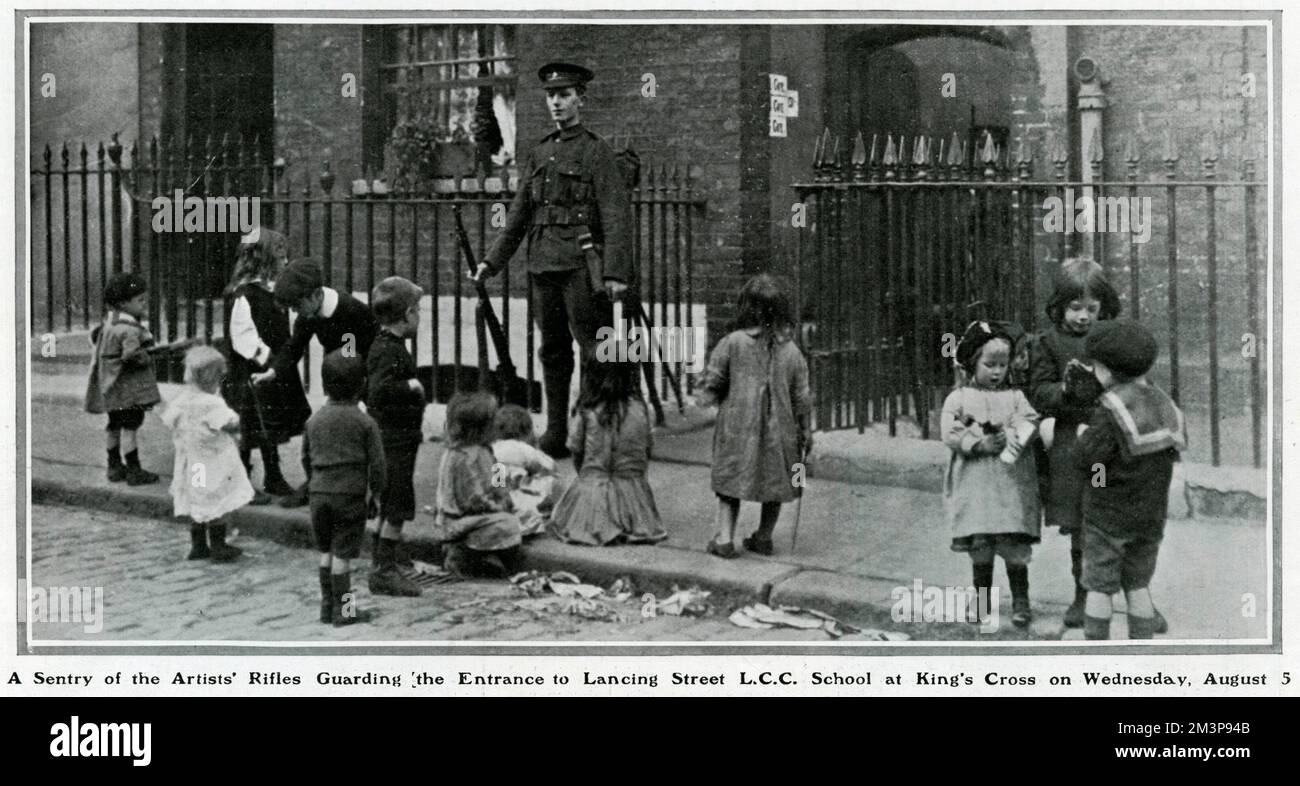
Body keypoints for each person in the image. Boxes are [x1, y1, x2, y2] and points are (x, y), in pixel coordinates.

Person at [471, 62, 632, 459]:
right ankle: (556, 432)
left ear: (581, 99)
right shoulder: (540, 152)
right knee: (552, 351)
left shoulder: (597, 152)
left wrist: (614, 273)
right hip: (542, 264)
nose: (557, 103)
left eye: (564, 95)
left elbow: (615, 214)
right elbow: (519, 215)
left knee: (594, 350)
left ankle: (593, 432)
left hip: (581, 266)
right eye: (551, 96)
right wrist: (491, 263)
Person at [1075, 320, 1186, 640]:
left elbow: (1090, 462)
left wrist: (1081, 436)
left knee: (1100, 587)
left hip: (1106, 518)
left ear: (1105, 370)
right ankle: (1142, 649)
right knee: (1138, 586)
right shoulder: (1165, 404)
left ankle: (1097, 650)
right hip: (1150, 517)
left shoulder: (1110, 410)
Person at [1027, 258, 1119, 628]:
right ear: (1059, 305)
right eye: (1075, 307)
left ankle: (1133, 592)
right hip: (1072, 450)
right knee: (1083, 522)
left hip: (1107, 444)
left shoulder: (1112, 339)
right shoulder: (1048, 342)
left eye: (1092, 309)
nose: (1083, 316)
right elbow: (1038, 391)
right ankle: (1083, 594)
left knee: (1113, 520)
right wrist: (1066, 389)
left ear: (1103, 307)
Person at [697, 274, 812, 558]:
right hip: (781, 430)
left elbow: (712, 382)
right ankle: (763, 536)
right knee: (776, 482)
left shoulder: (733, 342)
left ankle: (725, 538)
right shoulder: (793, 352)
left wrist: (709, 396)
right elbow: (802, 397)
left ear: (747, 307)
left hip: (738, 427)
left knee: (730, 480)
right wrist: (806, 430)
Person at [254, 258, 379, 507]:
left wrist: (353, 398)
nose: (294, 311)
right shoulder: (310, 313)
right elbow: (295, 345)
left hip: (364, 378)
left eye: (296, 305)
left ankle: (365, 495)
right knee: (321, 431)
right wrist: (274, 371)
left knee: (359, 435)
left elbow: (351, 354)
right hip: (341, 375)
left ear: (316, 295)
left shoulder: (349, 311)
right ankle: (317, 484)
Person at [941, 321, 1042, 628]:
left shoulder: (1015, 397)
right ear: (974, 363)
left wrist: (1013, 435)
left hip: (1010, 485)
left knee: (1013, 546)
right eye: (990, 364)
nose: (997, 372)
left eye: (1003, 364)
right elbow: (949, 430)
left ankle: (1020, 600)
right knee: (981, 546)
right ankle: (982, 599)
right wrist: (977, 443)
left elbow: (1030, 421)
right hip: (976, 486)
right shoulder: (958, 399)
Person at [223, 228, 310, 500]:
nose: (285, 261)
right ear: (262, 259)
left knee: (269, 427)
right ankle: (241, 481)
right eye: (280, 256)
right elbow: (243, 337)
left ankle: (273, 475)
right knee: (249, 429)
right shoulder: (244, 295)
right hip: (251, 373)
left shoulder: (273, 291)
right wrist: (267, 359)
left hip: (271, 371)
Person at [301, 350, 386, 626]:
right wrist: (376, 492)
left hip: (318, 495)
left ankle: (327, 606)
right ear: (362, 386)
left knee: (325, 552)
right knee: (343, 556)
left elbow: (305, 457)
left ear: (325, 385)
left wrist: (315, 482)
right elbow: (378, 464)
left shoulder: (313, 421)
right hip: (348, 496)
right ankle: (344, 610)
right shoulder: (364, 422)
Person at [549, 362, 665, 545]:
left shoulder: (586, 411)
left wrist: (585, 479)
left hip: (593, 492)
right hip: (633, 495)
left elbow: (575, 451)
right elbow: (647, 450)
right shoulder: (641, 409)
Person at [364, 276, 426, 598]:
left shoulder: (385, 345)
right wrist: (411, 387)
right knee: (397, 506)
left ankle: (384, 558)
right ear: (407, 314)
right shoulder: (390, 351)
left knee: (391, 503)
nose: (420, 318)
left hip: (397, 439)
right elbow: (379, 392)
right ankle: (384, 570)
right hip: (395, 442)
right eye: (418, 312)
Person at [161, 346, 253, 562]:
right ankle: (219, 545)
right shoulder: (211, 403)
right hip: (213, 462)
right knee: (216, 499)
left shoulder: (182, 399)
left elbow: (170, 420)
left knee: (198, 499)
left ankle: (198, 545)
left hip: (193, 462)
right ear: (213, 377)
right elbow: (230, 423)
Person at [432, 392, 525, 578]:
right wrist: (497, 506)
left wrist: (504, 493)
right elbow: (472, 500)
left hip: (480, 515)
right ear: (479, 429)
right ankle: (461, 553)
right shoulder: (462, 457)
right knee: (509, 524)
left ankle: (485, 556)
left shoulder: (485, 450)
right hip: (461, 520)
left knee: (522, 514)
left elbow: (497, 475)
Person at [84, 272, 162, 486]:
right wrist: (146, 355)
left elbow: (95, 340)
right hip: (127, 391)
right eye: (140, 300)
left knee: (113, 426)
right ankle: (135, 471)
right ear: (123, 304)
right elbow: (131, 356)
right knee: (130, 428)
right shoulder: (130, 330)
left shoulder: (108, 325)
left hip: (110, 387)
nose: (144, 303)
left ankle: (114, 466)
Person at [490, 404, 559, 538]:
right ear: (525, 431)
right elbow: (549, 465)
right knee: (550, 481)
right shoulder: (521, 448)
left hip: (495, 496)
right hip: (513, 498)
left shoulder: (492, 447)